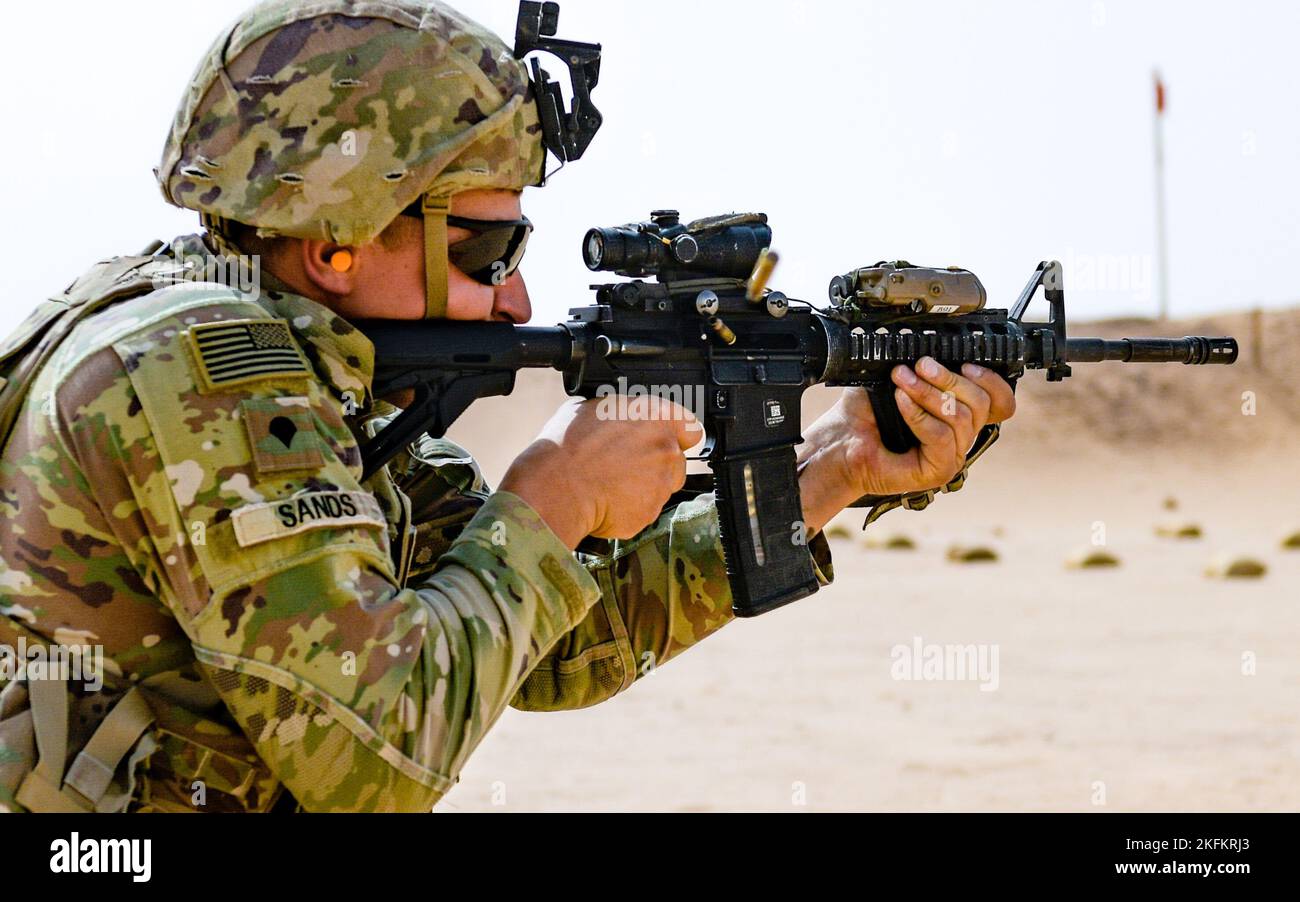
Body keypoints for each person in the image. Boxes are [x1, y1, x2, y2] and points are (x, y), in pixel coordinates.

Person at [0, 0, 1015, 813]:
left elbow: (553, 646)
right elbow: (379, 760)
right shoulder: (198, 370)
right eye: (485, 253)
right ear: (332, 243)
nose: (516, 299)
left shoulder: (317, 366)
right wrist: (555, 495)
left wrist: (831, 466)